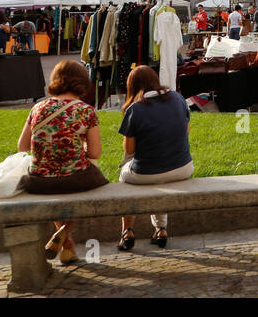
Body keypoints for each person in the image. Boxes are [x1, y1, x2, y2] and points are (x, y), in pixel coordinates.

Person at [17, 60, 107, 265]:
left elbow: (22, 146)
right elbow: (95, 152)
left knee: (57, 184)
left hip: (39, 181)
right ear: (83, 82)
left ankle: (68, 247)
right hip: (75, 179)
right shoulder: (86, 111)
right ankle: (65, 232)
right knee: (94, 183)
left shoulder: (38, 108)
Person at [116, 66, 193, 252]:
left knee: (125, 176)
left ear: (132, 87)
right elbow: (186, 131)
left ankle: (127, 231)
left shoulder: (135, 109)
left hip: (146, 172)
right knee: (160, 174)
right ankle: (161, 229)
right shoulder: (178, 98)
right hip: (183, 167)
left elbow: (129, 149)